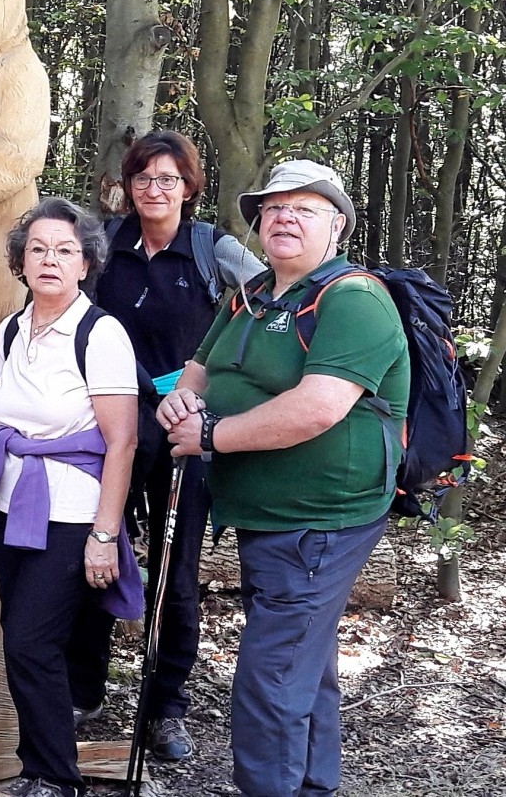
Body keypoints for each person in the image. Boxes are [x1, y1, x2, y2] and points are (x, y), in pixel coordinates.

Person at [159, 160, 408, 797]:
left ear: (338, 225)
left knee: (270, 680)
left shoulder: (353, 298)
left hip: (322, 517)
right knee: (304, 666)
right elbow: (200, 366)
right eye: (273, 208)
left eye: (304, 208)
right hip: (267, 514)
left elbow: (318, 407)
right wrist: (182, 402)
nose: (284, 218)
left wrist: (211, 436)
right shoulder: (251, 293)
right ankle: (311, 786)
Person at [70, 130, 265, 758]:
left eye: (170, 179)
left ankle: (165, 706)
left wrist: (213, 387)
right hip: (109, 428)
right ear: (126, 185)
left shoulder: (216, 250)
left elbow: (268, 316)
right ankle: (84, 689)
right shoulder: (101, 246)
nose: (156, 190)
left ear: (189, 187)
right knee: (96, 548)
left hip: (186, 431)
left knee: (175, 573)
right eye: (144, 178)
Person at [0, 197, 141, 797]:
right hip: (12, 506)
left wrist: (105, 535)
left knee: (30, 641)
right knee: (25, 639)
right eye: (37, 249)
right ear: (20, 261)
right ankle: (41, 767)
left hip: (71, 513)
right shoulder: (12, 328)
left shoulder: (100, 333)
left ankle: (54, 777)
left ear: (86, 263)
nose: (50, 260)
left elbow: (122, 443)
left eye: (64, 251)